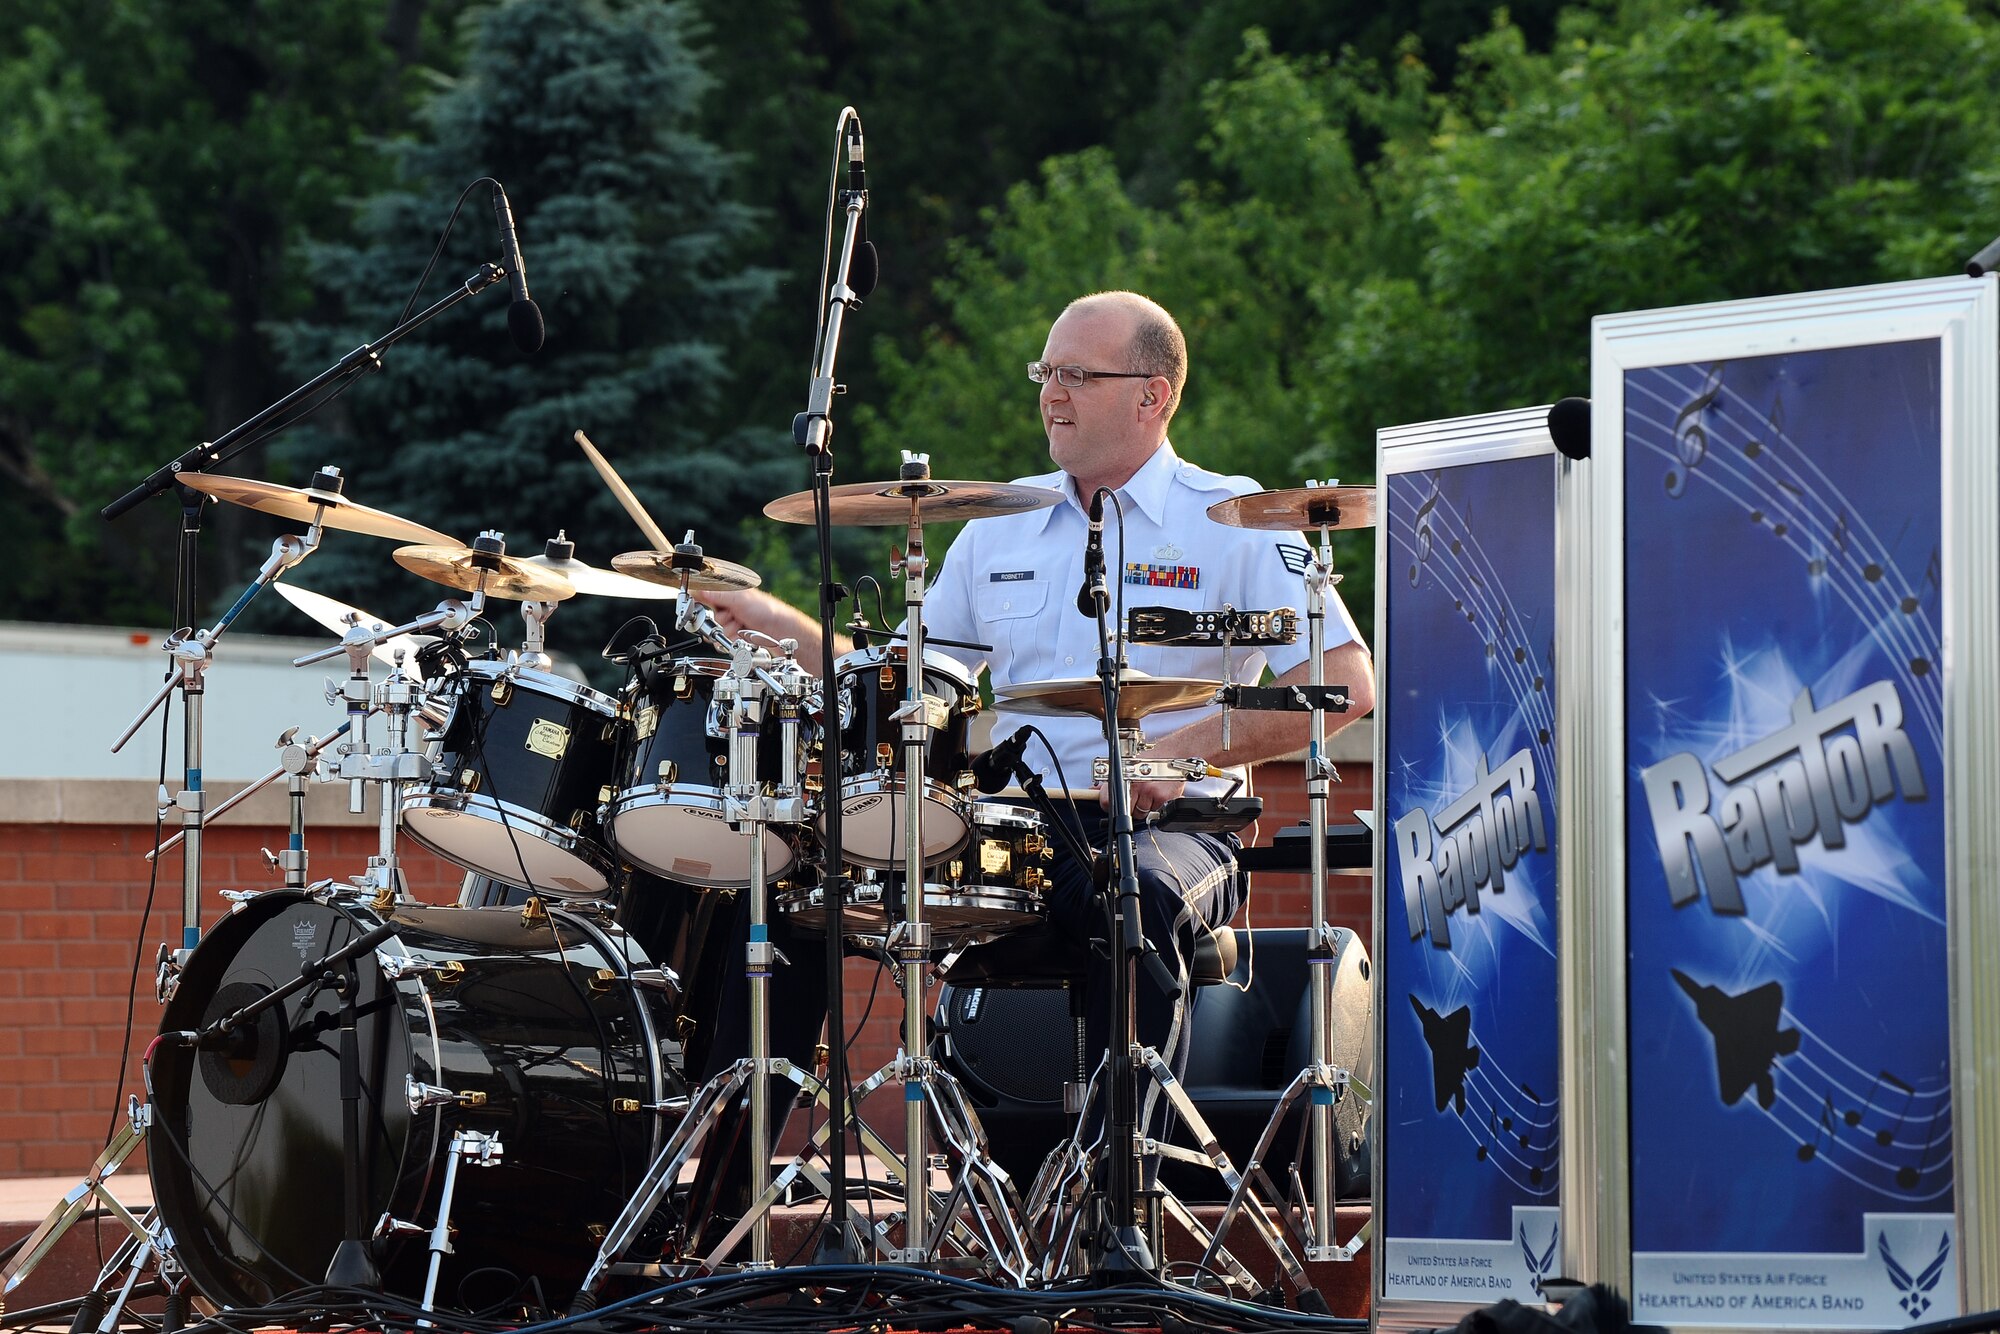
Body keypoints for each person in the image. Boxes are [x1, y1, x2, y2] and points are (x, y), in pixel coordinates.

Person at [706, 290, 1374, 1112]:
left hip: (1173, 831)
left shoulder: (1232, 514)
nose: (1051, 394)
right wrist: (773, 622)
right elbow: (902, 682)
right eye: (1045, 372)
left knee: (1131, 896)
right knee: (790, 888)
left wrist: (1178, 754)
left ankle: (1119, 1173)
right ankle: (729, 1168)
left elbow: (1346, 683)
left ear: (1152, 395)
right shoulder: (999, 522)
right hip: (1018, 832)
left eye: (1077, 375)